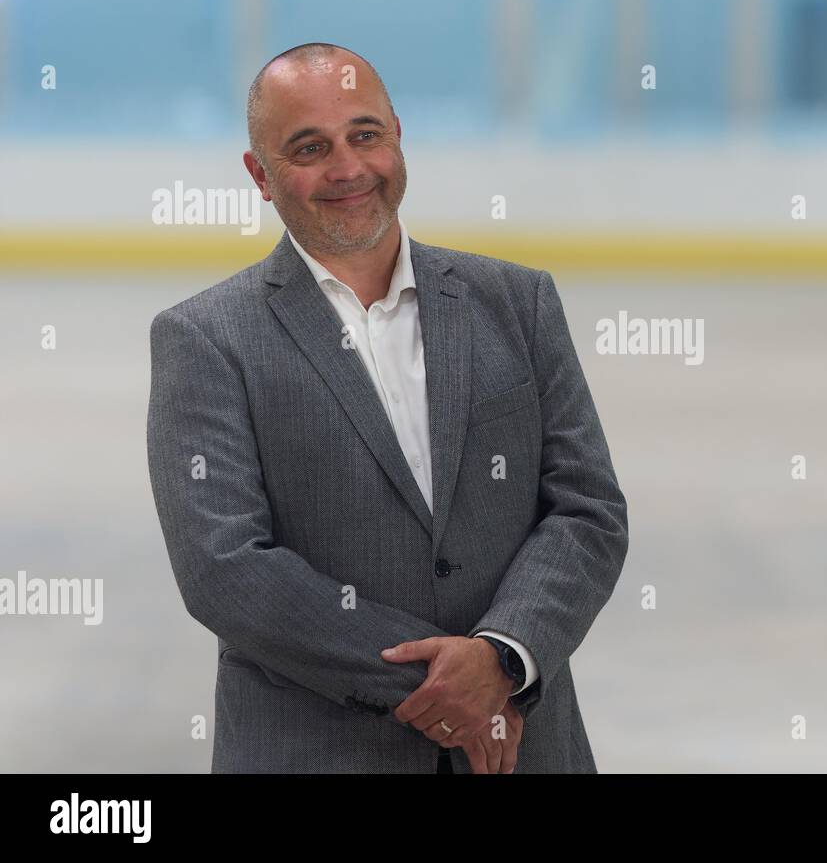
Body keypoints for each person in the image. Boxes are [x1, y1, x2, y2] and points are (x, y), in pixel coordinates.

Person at [146, 43, 628, 773]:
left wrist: (502, 657)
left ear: (397, 134)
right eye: (310, 148)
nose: (347, 168)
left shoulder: (518, 303)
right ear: (261, 176)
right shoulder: (206, 340)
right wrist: (452, 691)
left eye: (364, 135)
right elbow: (226, 570)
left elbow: (587, 510)